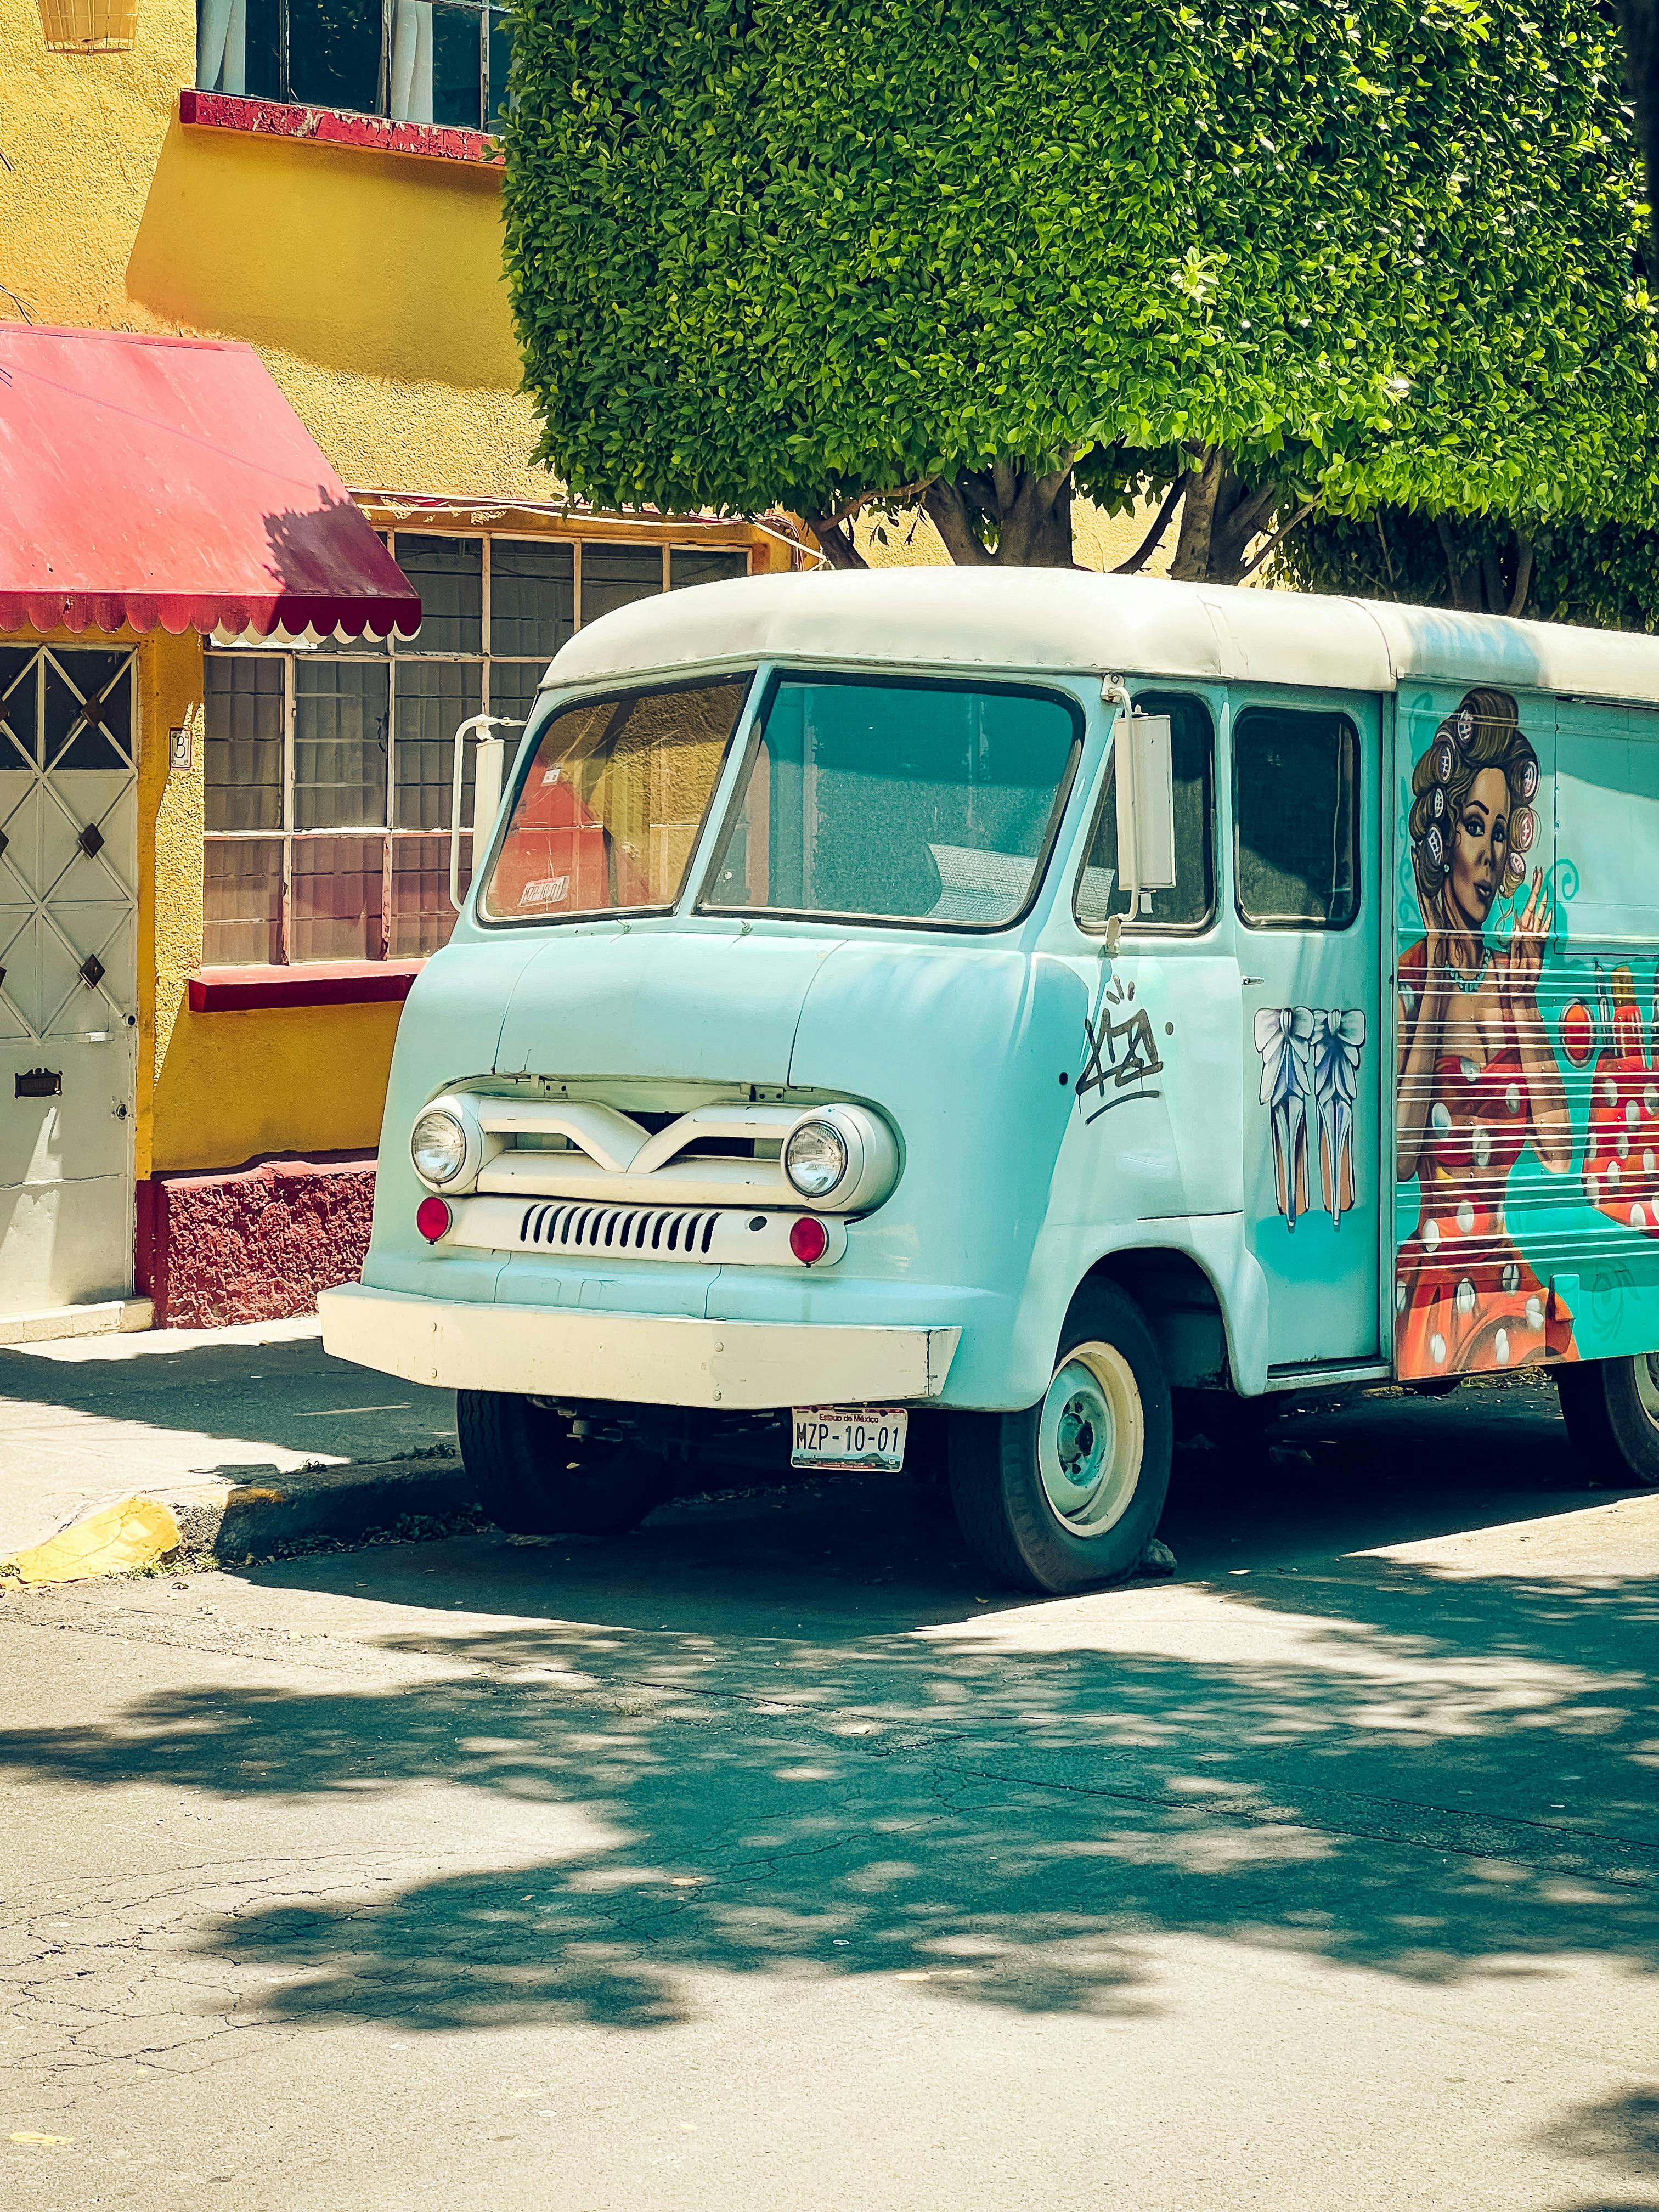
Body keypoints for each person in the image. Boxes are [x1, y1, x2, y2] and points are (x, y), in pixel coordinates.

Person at [1394, 688, 1575, 1374]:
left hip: (1507, 1282)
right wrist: (1441, 974)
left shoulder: (1511, 980)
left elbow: (1561, 1151)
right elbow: (1403, 1160)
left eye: (1503, 832)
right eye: (1476, 826)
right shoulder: (1409, 977)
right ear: (1443, 840)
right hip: (1435, 1282)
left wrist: (1523, 1006)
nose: (1493, 855)